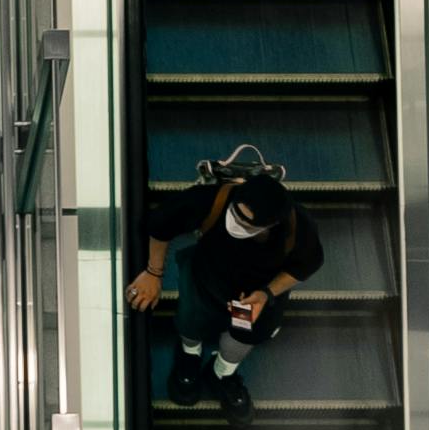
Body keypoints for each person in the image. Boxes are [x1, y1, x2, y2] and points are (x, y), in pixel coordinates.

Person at [128, 144, 324, 415]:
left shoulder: (297, 227)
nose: (236, 221)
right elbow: (161, 223)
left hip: (250, 297)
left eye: (247, 222)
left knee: (242, 336)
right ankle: (189, 356)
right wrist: (153, 273)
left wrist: (266, 294)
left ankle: (221, 373)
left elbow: (306, 265)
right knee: (190, 321)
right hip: (204, 283)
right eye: (236, 212)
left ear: (271, 225)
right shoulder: (213, 200)